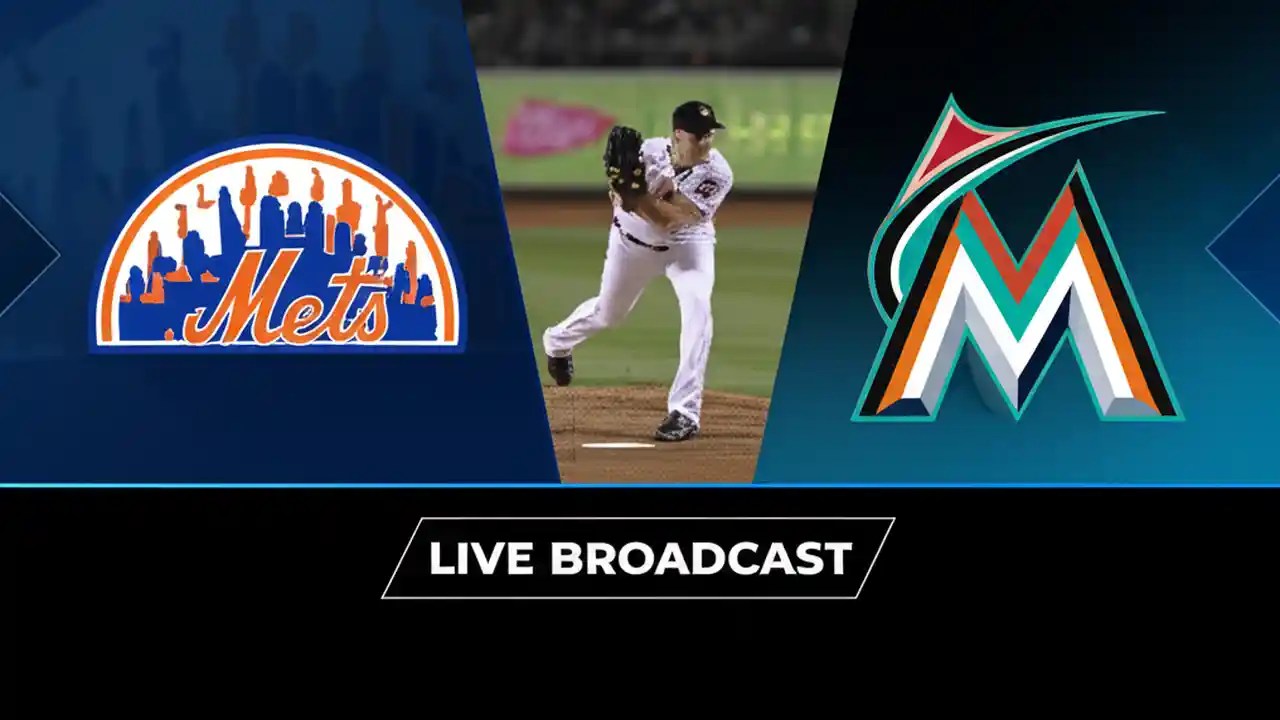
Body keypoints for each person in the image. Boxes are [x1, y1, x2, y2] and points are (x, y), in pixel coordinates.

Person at [542, 100, 734, 442]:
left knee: (698, 309)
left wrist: (634, 193)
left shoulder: (717, 173)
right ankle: (557, 342)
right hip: (631, 245)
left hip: (688, 244)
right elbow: (618, 197)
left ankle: (685, 412)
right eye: (699, 135)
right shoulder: (649, 152)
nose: (707, 141)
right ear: (678, 134)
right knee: (608, 314)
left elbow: (668, 220)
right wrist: (622, 190)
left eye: (710, 134)